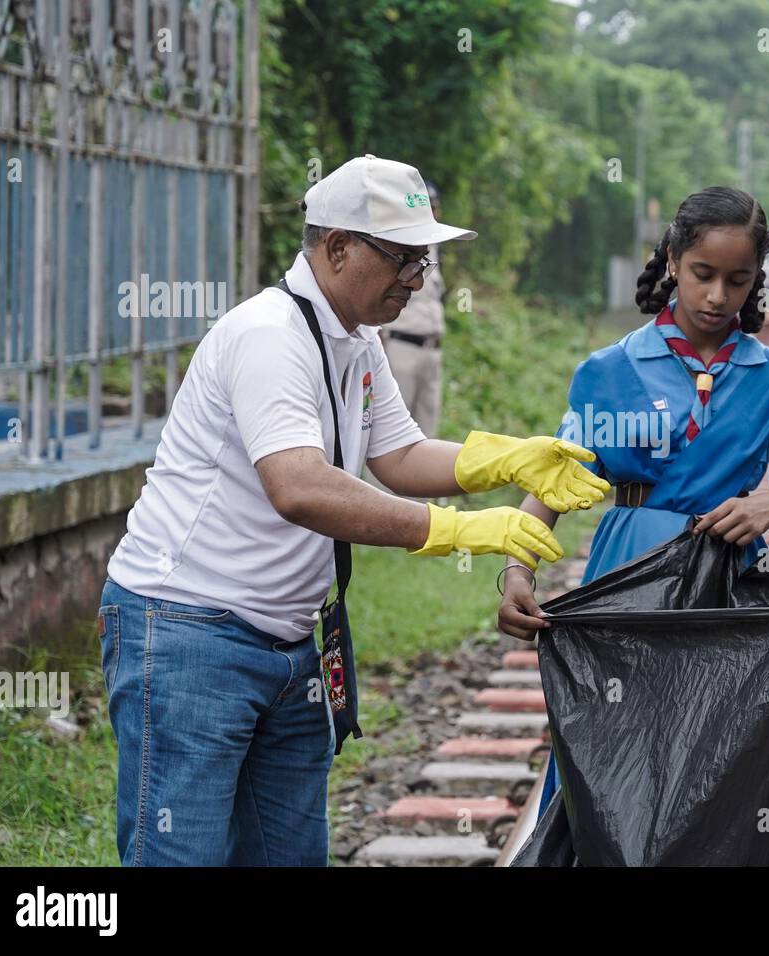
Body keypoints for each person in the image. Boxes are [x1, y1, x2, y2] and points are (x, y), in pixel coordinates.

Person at [98, 155, 609, 866]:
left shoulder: (354, 338)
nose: (416, 280)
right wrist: (455, 530)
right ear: (338, 247)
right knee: (180, 856)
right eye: (403, 259)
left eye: (423, 262)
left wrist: (508, 458)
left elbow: (397, 454)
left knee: (289, 856)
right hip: (190, 629)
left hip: (288, 640)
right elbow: (300, 486)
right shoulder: (270, 336)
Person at [497, 186, 769, 821]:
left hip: (730, 584)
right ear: (672, 259)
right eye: (703, 275)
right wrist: (517, 568)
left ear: (757, 280)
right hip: (628, 573)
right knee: (607, 748)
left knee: (715, 758)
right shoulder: (610, 369)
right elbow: (553, 483)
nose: (716, 296)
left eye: (738, 280)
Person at [382, 179, 447, 439]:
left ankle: (423, 481)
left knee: (426, 432)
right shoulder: (400, 243)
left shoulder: (435, 245)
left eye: (435, 206)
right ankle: (374, 483)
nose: (433, 211)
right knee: (391, 434)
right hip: (400, 346)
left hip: (431, 349)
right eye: (428, 206)